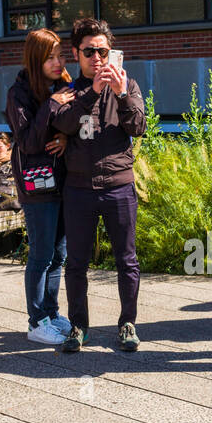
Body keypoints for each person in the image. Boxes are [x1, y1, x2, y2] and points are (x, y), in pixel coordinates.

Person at [44, 18, 146, 353]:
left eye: (103, 50)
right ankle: (79, 326)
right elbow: (64, 123)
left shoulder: (127, 85)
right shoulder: (69, 92)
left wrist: (118, 92)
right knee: (76, 263)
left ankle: (127, 323)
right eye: (89, 51)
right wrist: (94, 93)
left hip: (118, 185)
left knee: (126, 260)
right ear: (76, 53)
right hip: (79, 188)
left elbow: (138, 127)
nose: (97, 57)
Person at [7, 27, 75, 346]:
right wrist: (52, 105)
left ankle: (51, 312)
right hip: (37, 185)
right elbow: (29, 141)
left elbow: (79, 123)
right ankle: (36, 322)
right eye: (50, 57)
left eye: (60, 55)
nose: (58, 62)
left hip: (64, 182)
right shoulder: (19, 93)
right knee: (41, 255)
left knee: (59, 254)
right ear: (36, 59)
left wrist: (65, 136)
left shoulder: (64, 85)